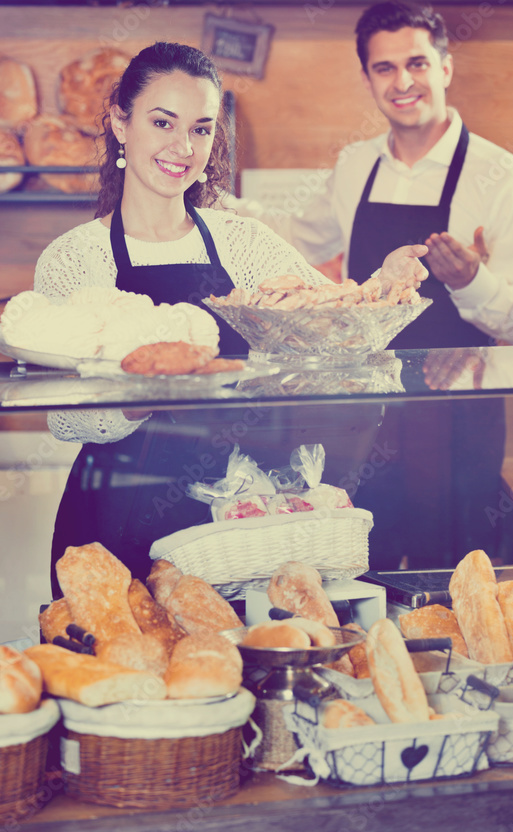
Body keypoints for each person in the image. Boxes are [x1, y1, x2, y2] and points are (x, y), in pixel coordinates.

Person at [34, 41, 429, 595]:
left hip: (233, 512)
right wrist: (141, 394)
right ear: (120, 124)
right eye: (163, 122)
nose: (182, 146)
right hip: (118, 509)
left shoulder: (243, 240)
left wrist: (382, 285)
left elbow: (330, 323)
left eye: (200, 128)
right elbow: (64, 420)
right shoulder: (74, 258)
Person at [264, 0, 513, 566]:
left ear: (445, 68)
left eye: (418, 64)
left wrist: (473, 281)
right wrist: (214, 214)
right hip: (360, 417)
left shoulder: (507, 180)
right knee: (355, 569)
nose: (403, 82)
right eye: (385, 68)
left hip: (457, 427)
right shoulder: (355, 166)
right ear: (368, 78)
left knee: (449, 576)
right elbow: (297, 243)